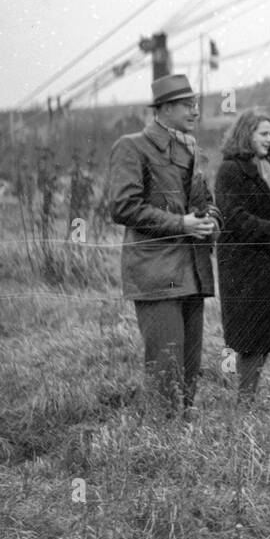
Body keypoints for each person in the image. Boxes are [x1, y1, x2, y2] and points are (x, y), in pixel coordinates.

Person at [108, 74, 221, 413]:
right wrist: (181, 224)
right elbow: (123, 206)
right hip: (156, 273)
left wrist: (211, 221)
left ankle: (180, 436)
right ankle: (159, 440)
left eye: (196, 104)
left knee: (188, 365)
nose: (196, 111)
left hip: (193, 272)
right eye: (188, 105)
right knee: (165, 365)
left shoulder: (191, 149)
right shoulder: (132, 146)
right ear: (165, 108)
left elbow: (207, 202)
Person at [214, 109, 270, 399]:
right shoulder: (230, 170)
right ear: (246, 134)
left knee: (263, 331)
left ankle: (248, 396)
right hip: (244, 264)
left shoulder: (266, 167)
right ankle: (245, 399)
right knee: (251, 335)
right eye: (263, 133)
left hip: (267, 259)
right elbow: (233, 217)